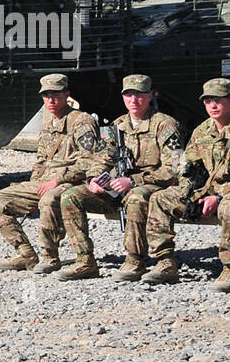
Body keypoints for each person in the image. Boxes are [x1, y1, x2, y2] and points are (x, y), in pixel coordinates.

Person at [57, 75, 183, 281]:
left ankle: (135, 260)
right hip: (119, 186)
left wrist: (134, 181)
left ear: (150, 95)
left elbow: (174, 169)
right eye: (128, 94)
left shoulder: (165, 125)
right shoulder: (118, 126)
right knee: (71, 196)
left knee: (136, 196)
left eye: (140, 94)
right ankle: (84, 261)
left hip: (153, 186)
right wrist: (94, 178)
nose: (134, 100)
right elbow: (101, 157)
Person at [0, 74, 101, 274]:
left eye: (56, 95)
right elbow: (41, 159)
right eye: (46, 95)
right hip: (46, 181)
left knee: (49, 199)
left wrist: (58, 179)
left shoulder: (82, 121)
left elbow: (90, 161)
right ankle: (26, 254)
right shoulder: (49, 121)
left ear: (67, 95)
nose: (51, 100)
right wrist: (33, 184)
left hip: (71, 181)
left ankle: (50, 256)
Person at [143, 78, 230, 288]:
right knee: (160, 198)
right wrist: (191, 191)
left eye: (218, 100)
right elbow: (187, 166)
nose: (213, 105)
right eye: (208, 101)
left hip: (225, 194)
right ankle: (165, 263)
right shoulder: (202, 131)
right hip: (206, 192)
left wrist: (219, 197)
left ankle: (229, 268)